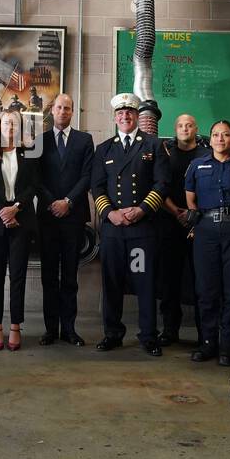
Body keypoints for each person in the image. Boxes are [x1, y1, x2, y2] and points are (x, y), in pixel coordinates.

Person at [91, 92, 166, 356]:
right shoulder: (104, 149)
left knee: (144, 282)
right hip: (114, 230)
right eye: (120, 113)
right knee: (111, 282)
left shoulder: (153, 146)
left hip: (141, 230)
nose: (125, 116)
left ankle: (148, 336)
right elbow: (97, 186)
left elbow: (161, 183)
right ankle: (112, 333)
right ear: (115, 118)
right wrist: (109, 213)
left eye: (130, 113)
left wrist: (142, 209)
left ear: (136, 116)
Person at [183, 120, 230, 366]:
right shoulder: (197, 165)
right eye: (216, 134)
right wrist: (196, 222)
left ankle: (227, 346)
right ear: (210, 139)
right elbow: (190, 198)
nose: (220, 139)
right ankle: (207, 343)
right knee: (206, 291)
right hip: (205, 231)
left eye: (226, 135)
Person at [38, 93, 93, 346]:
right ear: (53, 110)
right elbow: (35, 179)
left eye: (67, 108)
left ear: (73, 112)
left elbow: (86, 176)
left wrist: (68, 202)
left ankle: (69, 329)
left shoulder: (84, 140)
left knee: (70, 276)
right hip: (48, 219)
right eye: (59, 107)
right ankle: (50, 329)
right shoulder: (40, 140)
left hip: (73, 217)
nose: (62, 112)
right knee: (48, 276)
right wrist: (52, 203)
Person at [0, 109, 41, 351]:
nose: (10, 127)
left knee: (17, 277)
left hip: (21, 221)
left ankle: (15, 325)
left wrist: (15, 208)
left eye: (15, 124)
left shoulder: (29, 153)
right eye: (6, 123)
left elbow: (33, 186)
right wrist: (3, 213)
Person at [154, 114, 204, 346]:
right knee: (169, 279)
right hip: (168, 221)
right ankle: (170, 329)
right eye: (180, 125)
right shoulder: (165, 153)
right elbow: (158, 187)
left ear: (196, 128)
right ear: (174, 129)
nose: (185, 128)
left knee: (202, 279)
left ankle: (206, 332)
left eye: (189, 125)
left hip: (200, 222)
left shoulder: (206, 154)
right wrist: (177, 212)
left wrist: (194, 214)